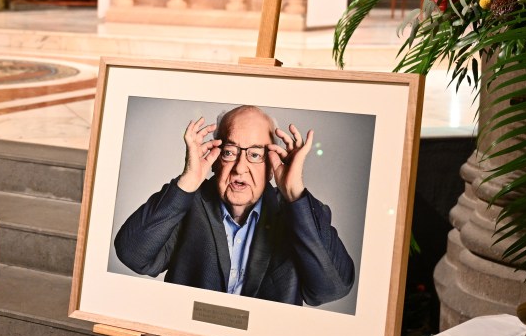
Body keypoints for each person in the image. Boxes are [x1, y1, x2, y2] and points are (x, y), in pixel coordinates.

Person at [114, 105, 356, 307]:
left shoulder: (298, 214)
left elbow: (332, 289)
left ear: (272, 164)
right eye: (230, 152)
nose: (240, 167)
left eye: (255, 155)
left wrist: (294, 193)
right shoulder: (190, 204)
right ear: (217, 158)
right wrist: (187, 181)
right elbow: (133, 255)